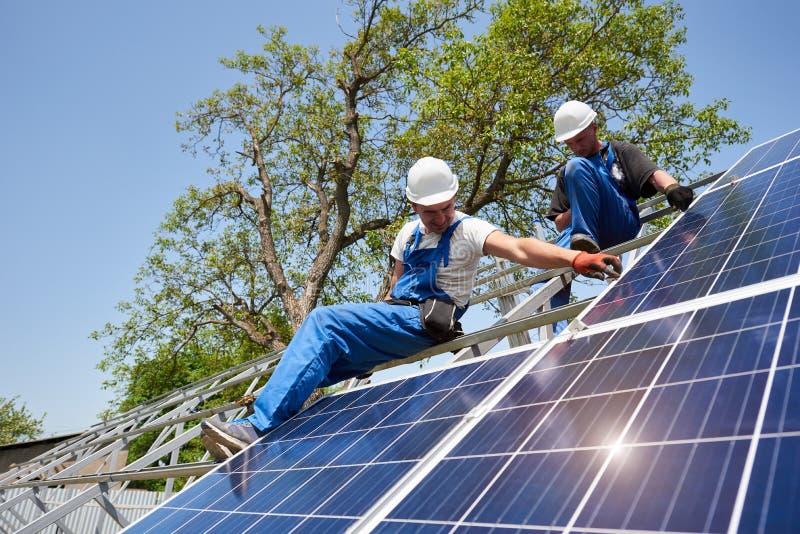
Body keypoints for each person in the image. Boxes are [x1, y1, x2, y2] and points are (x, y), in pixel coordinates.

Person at [200, 156, 622, 460]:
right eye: (429, 211)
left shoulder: (469, 228)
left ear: (455, 198)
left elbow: (519, 248)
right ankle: (270, 422)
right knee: (319, 355)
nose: (439, 216)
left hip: (428, 321)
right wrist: (366, 338)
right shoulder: (405, 235)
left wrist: (574, 259)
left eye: (445, 208)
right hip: (397, 317)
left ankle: (256, 429)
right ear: (413, 206)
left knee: (323, 321)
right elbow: (393, 289)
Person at [544, 100, 694, 332]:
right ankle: (557, 337)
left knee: (577, 166)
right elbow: (559, 224)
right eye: (569, 143)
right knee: (546, 267)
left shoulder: (620, 152)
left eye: (580, 140)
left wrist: (672, 188)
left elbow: (653, 174)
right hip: (578, 233)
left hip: (617, 221)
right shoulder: (567, 176)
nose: (576, 148)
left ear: (594, 127)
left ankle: (587, 242)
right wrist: (582, 198)